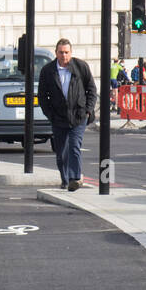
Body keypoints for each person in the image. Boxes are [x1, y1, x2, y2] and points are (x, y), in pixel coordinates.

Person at [38, 39, 97, 191]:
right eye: (61, 52)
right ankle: (65, 179)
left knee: (74, 147)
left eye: (66, 52)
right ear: (56, 53)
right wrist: (50, 114)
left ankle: (74, 178)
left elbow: (91, 90)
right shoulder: (48, 71)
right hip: (58, 118)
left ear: (71, 53)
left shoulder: (80, 67)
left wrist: (88, 110)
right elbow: (43, 96)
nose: (64, 55)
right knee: (61, 152)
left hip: (78, 116)